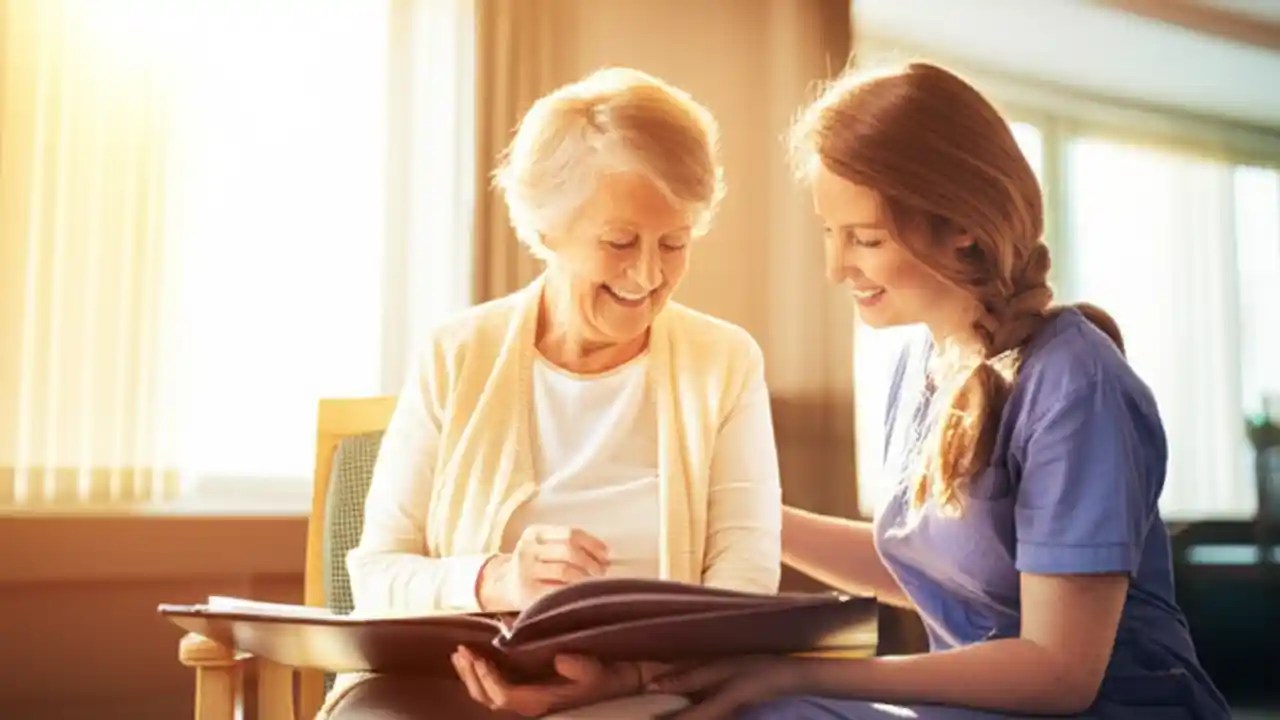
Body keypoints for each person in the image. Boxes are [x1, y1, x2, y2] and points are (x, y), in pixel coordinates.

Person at [647, 61, 1232, 719]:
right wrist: (744, 517)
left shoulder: (1075, 386)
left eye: (864, 239)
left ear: (962, 224)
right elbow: (927, 562)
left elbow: (1057, 672)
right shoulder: (924, 364)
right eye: (828, 234)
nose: (836, 268)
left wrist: (794, 673)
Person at [317, 67, 782, 719]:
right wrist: (495, 577)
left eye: (674, 243)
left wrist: (626, 679)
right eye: (619, 242)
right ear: (545, 230)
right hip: (444, 694)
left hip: (653, 695)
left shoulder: (725, 362)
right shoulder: (456, 352)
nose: (648, 274)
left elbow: (745, 593)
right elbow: (376, 577)